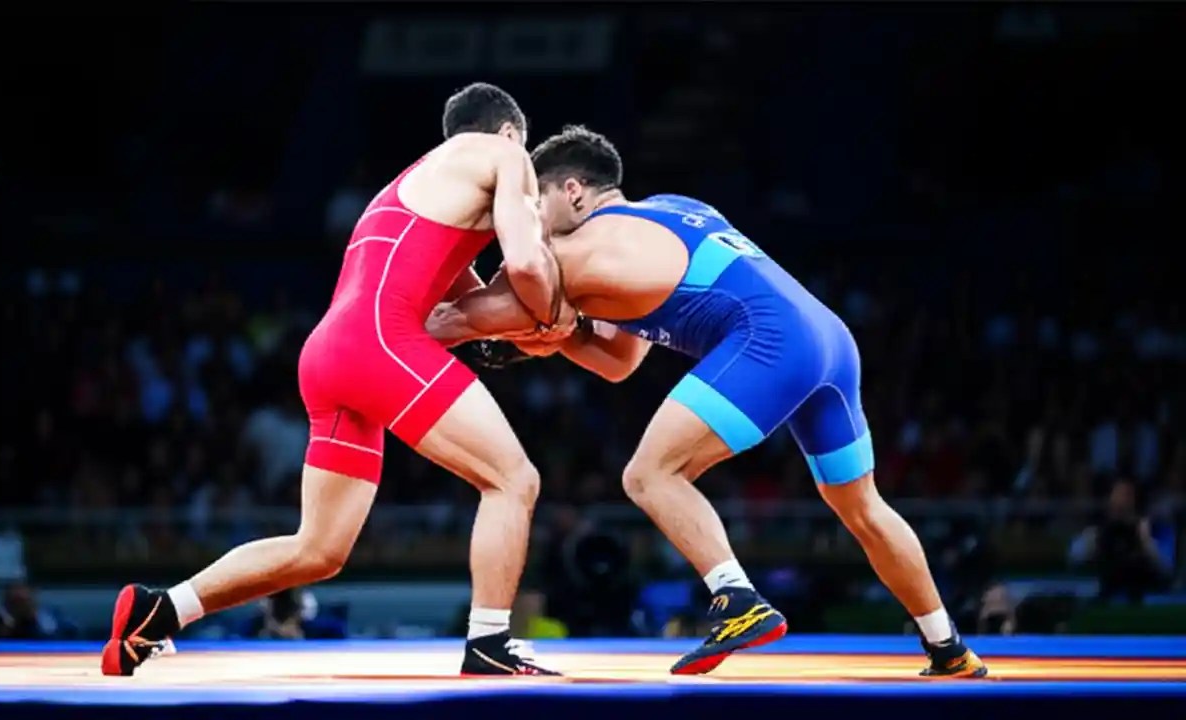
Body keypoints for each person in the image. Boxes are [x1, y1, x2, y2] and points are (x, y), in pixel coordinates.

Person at [427, 125, 988, 678]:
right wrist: (561, 333)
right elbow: (618, 361)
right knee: (862, 507)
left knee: (649, 474)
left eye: (534, 203)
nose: (529, 226)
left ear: (571, 191)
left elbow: (462, 318)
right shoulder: (671, 209)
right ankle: (948, 646)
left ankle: (737, 598)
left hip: (771, 340)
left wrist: (437, 288)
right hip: (829, 340)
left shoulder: (577, 248)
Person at [101, 83, 573, 678]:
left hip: (329, 352)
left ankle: (159, 609)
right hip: (378, 342)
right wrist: (558, 316)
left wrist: (517, 333)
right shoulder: (506, 156)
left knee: (318, 549)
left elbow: (466, 306)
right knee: (513, 479)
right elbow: (528, 265)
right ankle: (488, 643)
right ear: (508, 133)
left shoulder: (419, 181)